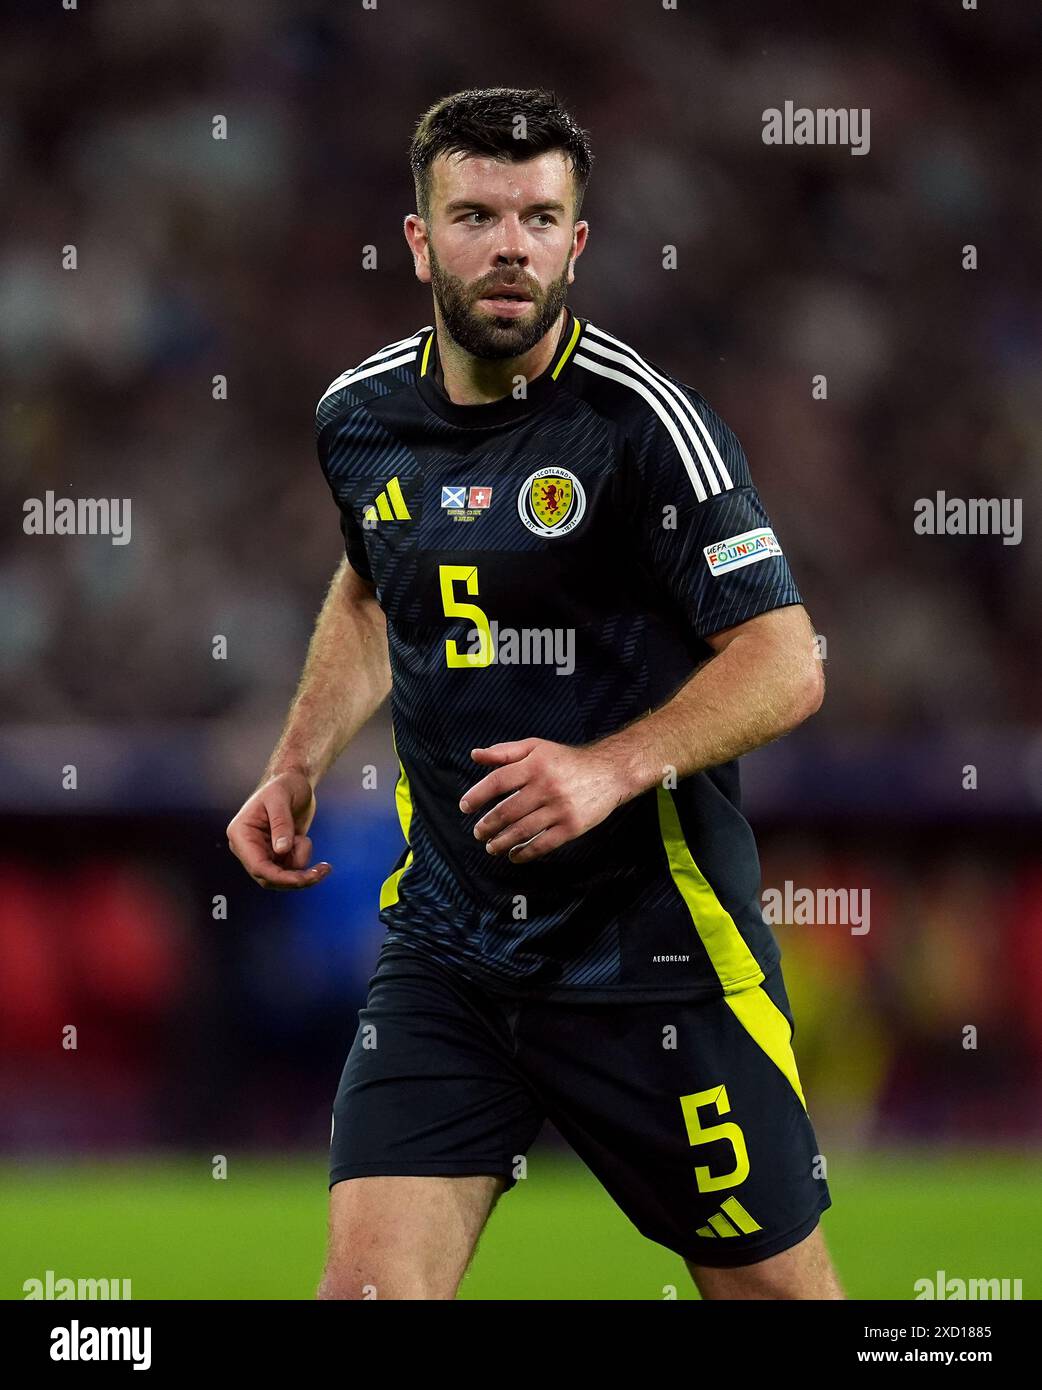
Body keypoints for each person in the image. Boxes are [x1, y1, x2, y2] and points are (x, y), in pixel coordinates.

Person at [227, 86, 842, 1300]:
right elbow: (369, 589)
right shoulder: (356, 420)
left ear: (576, 241)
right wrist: (296, 757)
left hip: (649, 959)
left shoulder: (644, 428)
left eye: (536, 216)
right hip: (450, 949)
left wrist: (605, 769)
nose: (507, 243)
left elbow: (789, 657)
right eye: (474, 214)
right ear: (419, 240)